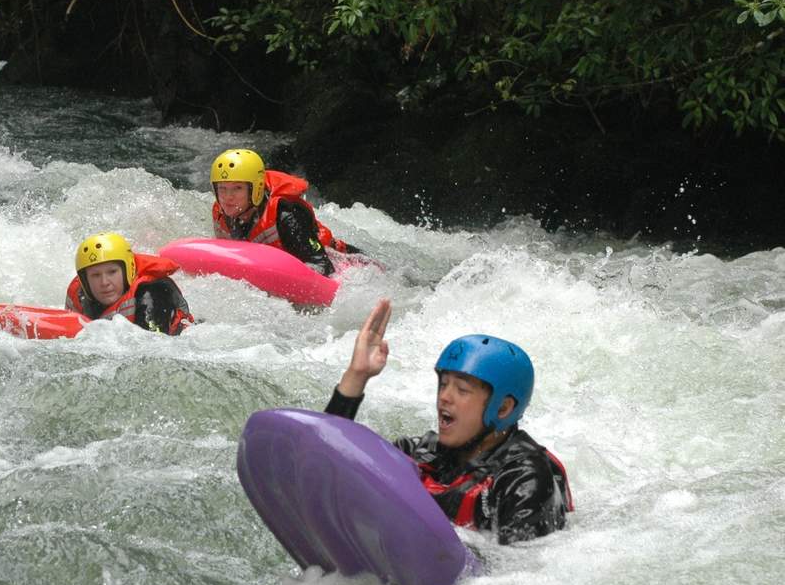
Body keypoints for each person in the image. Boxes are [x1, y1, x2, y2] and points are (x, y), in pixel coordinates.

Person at [324, 298, 573, 544]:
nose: (444, 397)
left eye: (462, 390)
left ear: (503, 408)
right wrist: (356, 376)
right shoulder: (417, 454)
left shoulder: (525, 479)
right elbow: (326, 467)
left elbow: (521, 574)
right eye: (443, 385)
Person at [210, 148, 367, 276]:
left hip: (346, 262)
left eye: (237, 188)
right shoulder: (221, 212)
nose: (227, 197)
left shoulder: (285, 215)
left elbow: (323, 266)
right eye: (222, 188)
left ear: (255, 189)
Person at [65, 232, 195, 335]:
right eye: (95, 275)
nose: (104, 282)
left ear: (128, 269)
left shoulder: (151, 294)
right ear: (84, 280)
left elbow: (154, 350)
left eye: (112, 272)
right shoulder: (80, 295)